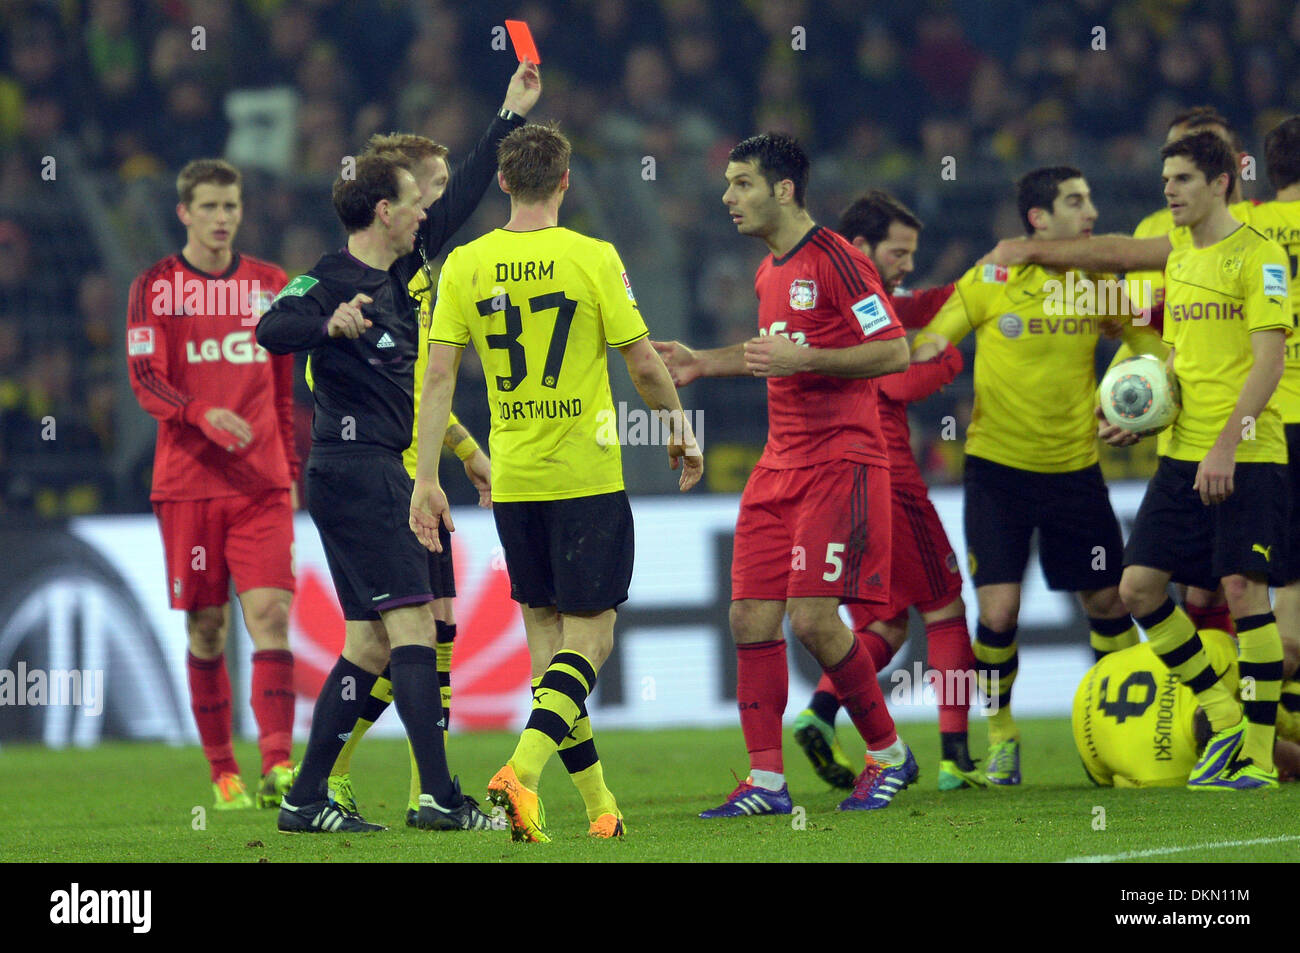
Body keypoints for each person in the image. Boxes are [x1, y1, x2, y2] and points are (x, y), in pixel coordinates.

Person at [409, 122, 703, 842]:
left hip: (514, 480)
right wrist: (678, 426)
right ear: (565, 182)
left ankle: (601, 808)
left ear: (502, 182)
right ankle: (524, 770)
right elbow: (639, 361)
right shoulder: (592, 256)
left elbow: (438, 376)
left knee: (549, 642)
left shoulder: (466, 265)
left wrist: (426, 474)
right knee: (592, 640)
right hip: (584, 473)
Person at [655, 133, 919, 815]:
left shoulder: (838, 260)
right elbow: (775, 351)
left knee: (810, 616)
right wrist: (702, 361)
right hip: (779, 464)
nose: (727, 196)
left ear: (784, 189)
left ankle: (888, 754)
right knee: (748, 616)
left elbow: (893, 351)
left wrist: (810, 362)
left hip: (839, 460)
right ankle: (766, 781)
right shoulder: (770, 269)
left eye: (741, 183)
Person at [316, 64, 539, 825]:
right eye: (429, 188)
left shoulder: (411, 268)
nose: (439, 202)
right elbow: (479, 184)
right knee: (410, 628)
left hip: (413, 467)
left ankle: (368, 785)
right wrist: (507, 118)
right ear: (395, 200)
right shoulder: (375, 269)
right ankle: (395, 787)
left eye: (440, 187)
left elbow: (418, 384)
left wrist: (463, 448)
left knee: (417, 629)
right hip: (386, 474)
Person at [257, 152, 492, 833]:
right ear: (384, 211)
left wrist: (508, 118)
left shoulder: (401, 273)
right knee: (413, 628)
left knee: (369, 644)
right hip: (357, 469)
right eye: (415, 201)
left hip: (365, 469)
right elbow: (271, 328)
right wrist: (326, 325)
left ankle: (304, 799)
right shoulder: (328, 277)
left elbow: (461, 201)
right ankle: (440, 797)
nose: (427, 212)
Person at [911, 167, 1148, 786]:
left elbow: (1154, 346)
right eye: (1076, 200)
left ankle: (1122, 734)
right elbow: (930, 345)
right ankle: (1002, 734)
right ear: (1039, 218)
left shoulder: (1097, 284)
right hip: (997, 474)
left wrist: (1140, 396)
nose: (1090, 209)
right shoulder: (991, 278)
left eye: (1090, 196)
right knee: (999, 611)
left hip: (1075, 472)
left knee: (1107, 599)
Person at [985, 108, 1258, 639]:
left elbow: (1124, 263)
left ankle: (1267, 705)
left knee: (1250, 584)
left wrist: (1034, 248)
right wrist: (1127, 398)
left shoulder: (1261, 232)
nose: (1176, 179)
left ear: (1229, 170)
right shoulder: (1169, 231)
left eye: (1193, 165)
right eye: (1171, 168)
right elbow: (1144, 321)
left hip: (1258, 427)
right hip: (1183, 428)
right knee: (1193, 585)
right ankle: (1217, 704)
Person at [1102, 131, 1292, 790]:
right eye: (1165, 182)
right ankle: (1222, 711)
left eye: (1182, 180)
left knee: (1243, 592)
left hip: (1247, 453)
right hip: (1180, 453)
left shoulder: (1261, 257)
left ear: (1220, 182)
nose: (1170, 193)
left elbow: (1270, 360)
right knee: (1138, 588)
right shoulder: (1180, 259)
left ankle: (1260, 759)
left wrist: (1226, 445)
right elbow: (1180, 359)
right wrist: (1145, 414)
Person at [791, 190, 982, 792]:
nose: (906, 265)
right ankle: (956, 758)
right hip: (891, 480)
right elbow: (897, 383)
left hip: (845, 482)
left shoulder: (838, 294)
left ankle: (820, 714)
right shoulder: (861, 308)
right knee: (947, 605)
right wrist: (947, 357)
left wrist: (983, 281)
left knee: (888, 621)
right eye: (898, 253)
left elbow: (920, 301)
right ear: (864, 248)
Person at [126, 158, 298, 811]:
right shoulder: (156, 288)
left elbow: (281, 388)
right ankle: (223, 769)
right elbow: (145, 378)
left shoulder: (269, 284)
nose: (223, 218)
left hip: (261, 484)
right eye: (210, 207)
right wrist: (200, 412)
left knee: (273, 614)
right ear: (184, 213)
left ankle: (279, 764)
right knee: (207, 626)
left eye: (231, 206)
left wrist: (288, 466)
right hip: (190, 484)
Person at [1073, 629, 1300, 786]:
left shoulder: (1173, 771)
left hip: (1092, 707)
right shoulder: (1218, 652)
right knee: (1273, 662)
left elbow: (1118, 781)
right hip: (1097, 678)